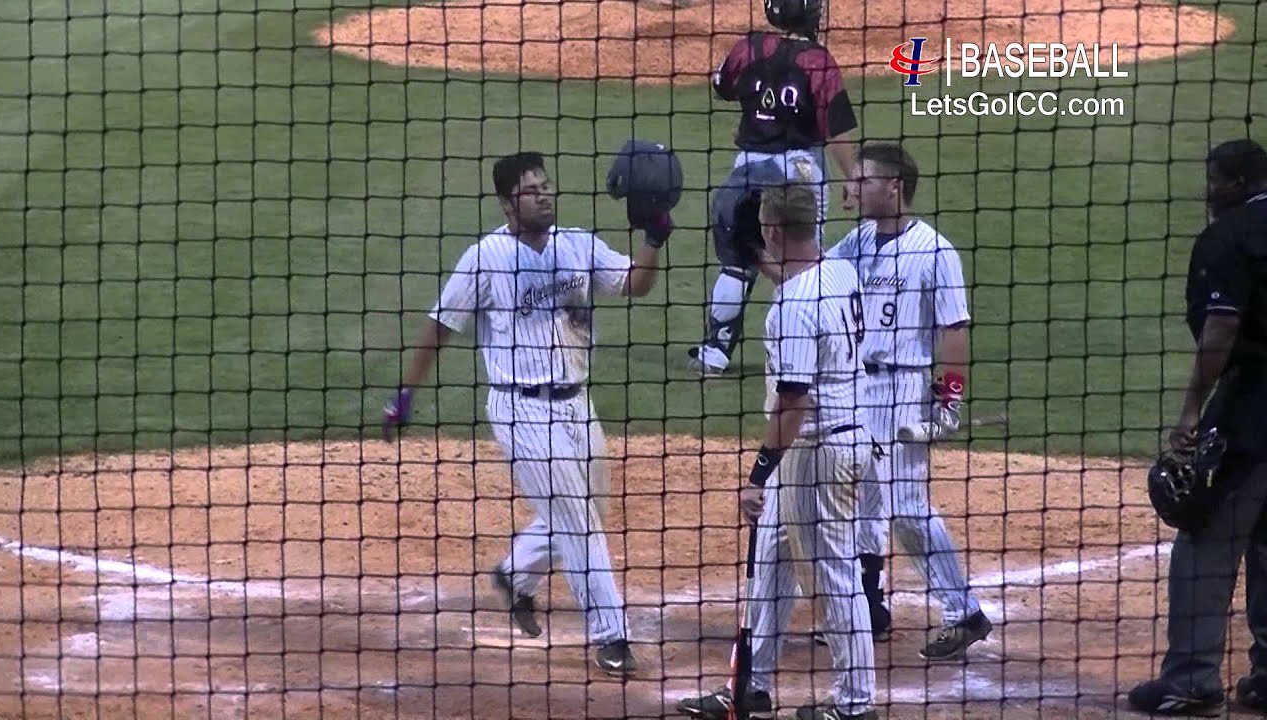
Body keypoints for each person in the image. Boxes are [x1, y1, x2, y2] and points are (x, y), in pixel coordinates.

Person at [379, 151, 673, 677]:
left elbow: (637, 284)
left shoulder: (577, 244)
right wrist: (404, 395)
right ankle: (612, 638)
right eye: (531, 188)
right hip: (519, 409)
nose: (544, 194)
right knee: (580, 524)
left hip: (577, 404)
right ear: (506, 202)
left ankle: (515, 574)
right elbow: (439, 326)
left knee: (589, 511)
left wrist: (654, 237)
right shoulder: (485, 258)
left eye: (546, 184)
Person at [678, 182, 878, 720]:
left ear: (770, 228)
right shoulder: (839, 272)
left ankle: (857, 707)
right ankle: (751, 685)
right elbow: (799, 282)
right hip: (842, 442)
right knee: (769, 562)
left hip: (816, 456)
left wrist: (756, 476)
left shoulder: (790, 306)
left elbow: (791, 406)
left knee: (834, 577)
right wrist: (761, 258)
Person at [825, 142, 992, 660]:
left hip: (902, 390)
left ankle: (963, 612)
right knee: (859, 501)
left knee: (905, 508)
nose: (851, 188)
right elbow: (809, 283)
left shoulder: (934, 250)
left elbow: (955, 330)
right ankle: (868, 608)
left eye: (862, 180)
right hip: (855, 389)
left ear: (893, 186)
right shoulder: (854, 244)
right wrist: (760, 254)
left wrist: (949, 400)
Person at [1127, 138, 1267, 716]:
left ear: (1233, 184)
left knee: (1205, 539)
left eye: (1214, 180)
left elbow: (1221, 332)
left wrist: (1191, 409)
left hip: (1254, 409)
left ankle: (1191, 680)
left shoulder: (1229, 236)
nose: (1208, 192)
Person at [687, 0, 860, 377]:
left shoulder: (749, 47)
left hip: (745, 170)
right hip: (798, 174)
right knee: (801, 264)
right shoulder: (818, 60)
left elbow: (723, 86)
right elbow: (834, 127)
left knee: (736, 264)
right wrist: (854, 176)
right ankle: (804, 352)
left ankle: (714, 354)